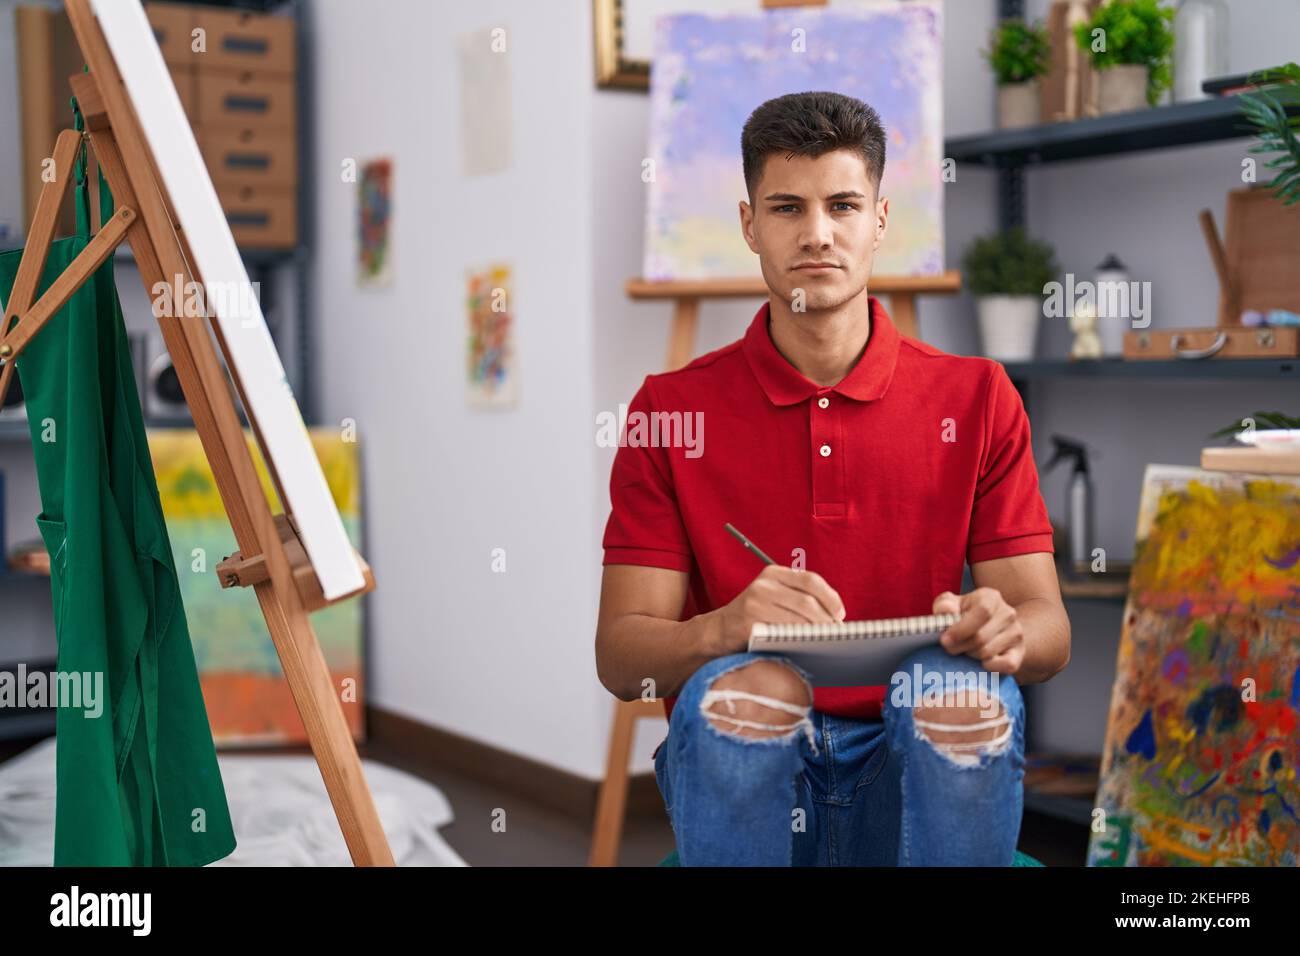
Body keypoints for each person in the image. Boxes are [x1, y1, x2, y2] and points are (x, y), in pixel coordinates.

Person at [596, 91, 1070, 866]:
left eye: (843, 205)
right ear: (750, 225)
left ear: (880, 220)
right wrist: (727, 626)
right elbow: (621, 661)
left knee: (954, 691)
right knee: (756, 689)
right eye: (787, 207)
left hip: (909, 772)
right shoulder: (668, 409)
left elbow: (1048, 632)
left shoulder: (978, 397)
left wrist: (1006, 629)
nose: (817, 234)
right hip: (747, 767)